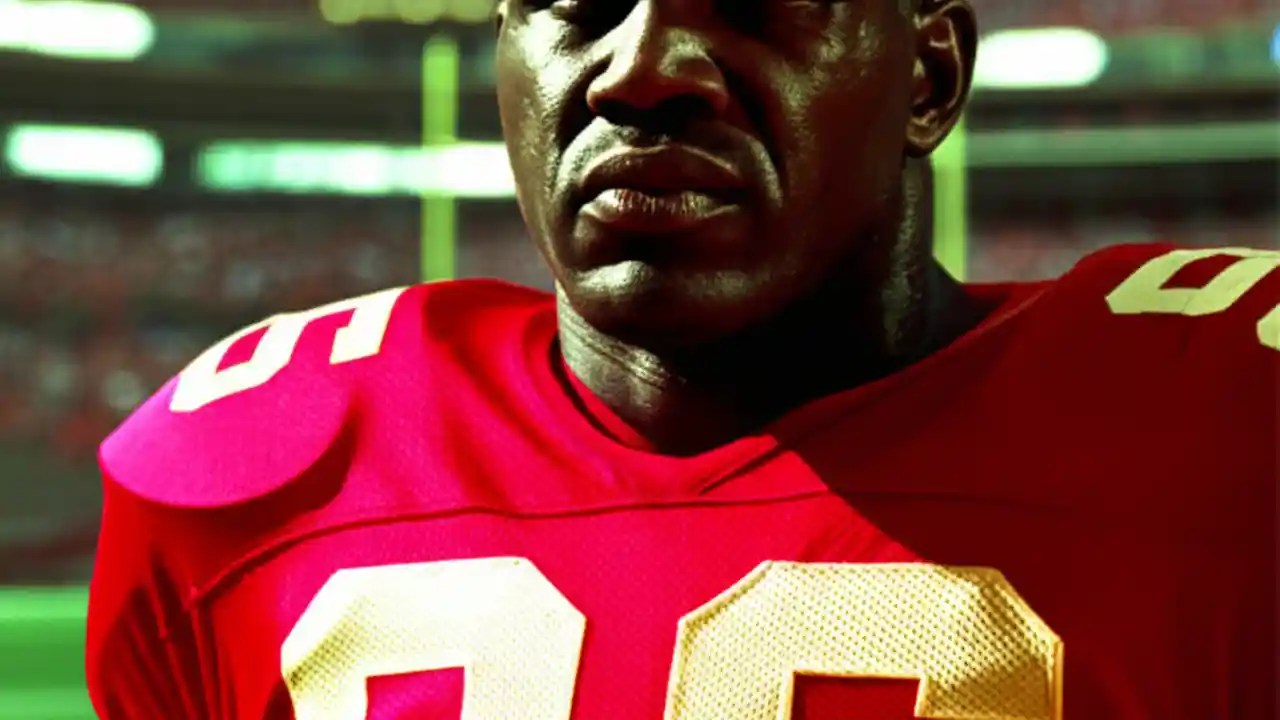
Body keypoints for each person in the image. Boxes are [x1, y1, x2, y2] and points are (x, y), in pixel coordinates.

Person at [87, 0, 1276, 717]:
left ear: (928, 77)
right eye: (575, 0)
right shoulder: (260, 475)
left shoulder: (1227, 436)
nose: (640, 70)